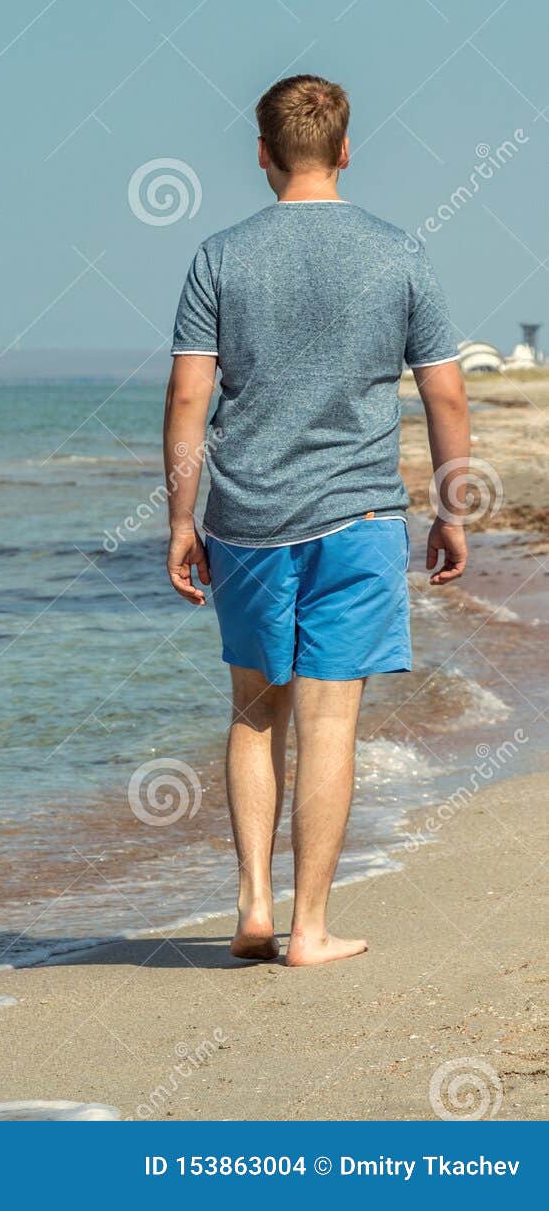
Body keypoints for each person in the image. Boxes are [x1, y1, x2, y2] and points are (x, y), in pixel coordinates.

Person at [162, 75, 470, 967]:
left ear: (261, 153)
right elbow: (443, 393)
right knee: (331, 721)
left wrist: (181, 519)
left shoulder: (219, 256)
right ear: (345, 150)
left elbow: (189, 394)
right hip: (359, 510)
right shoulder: (398, 252)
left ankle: (253, 907)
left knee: (255, 714)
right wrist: (452, 509)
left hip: (248, 516)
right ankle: (309, 929)